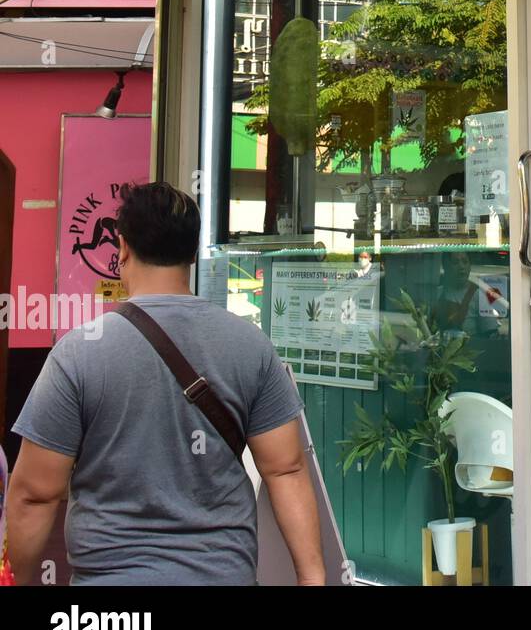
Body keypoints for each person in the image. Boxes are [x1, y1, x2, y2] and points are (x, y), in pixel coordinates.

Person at [6, 181, 325, 586]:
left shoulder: (78, 354)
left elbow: (35, 494)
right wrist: (313, 578)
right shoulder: (250, 345)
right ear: (193, 253)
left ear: (120, 247)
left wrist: (25, 579)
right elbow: (287, 470)